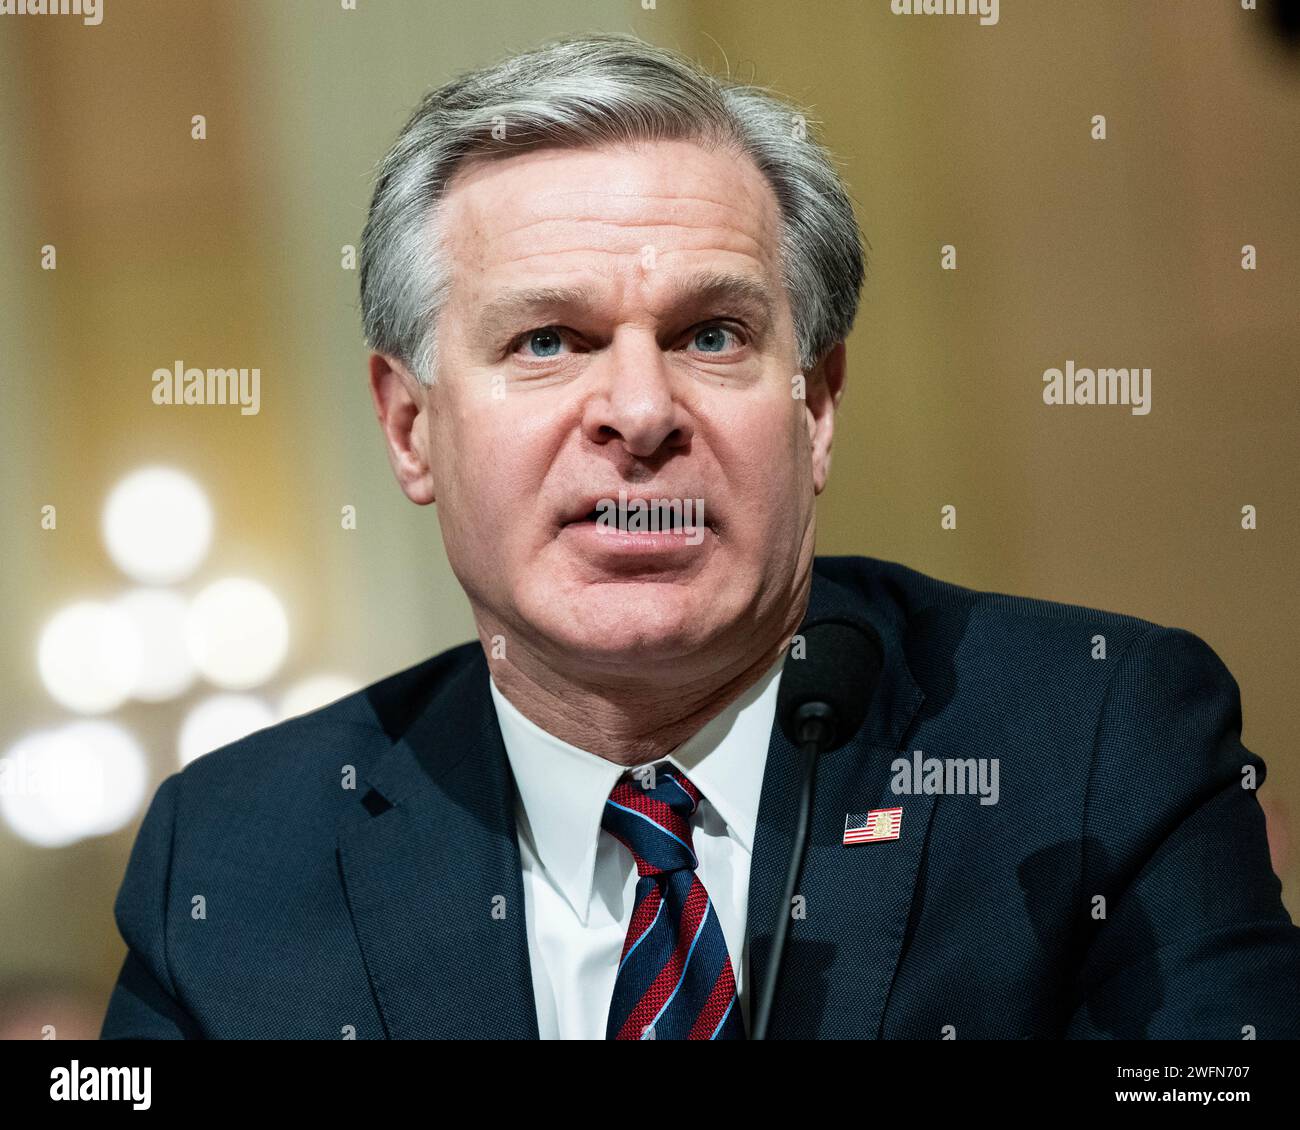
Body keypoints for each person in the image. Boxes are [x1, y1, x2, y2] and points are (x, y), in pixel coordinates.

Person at [101, 32, 1300, 1040]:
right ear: (410, 428)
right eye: (547, 341)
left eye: (712, 334)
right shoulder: (233, 860)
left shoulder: (1091, 745)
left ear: (815, 407)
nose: (638, 411)